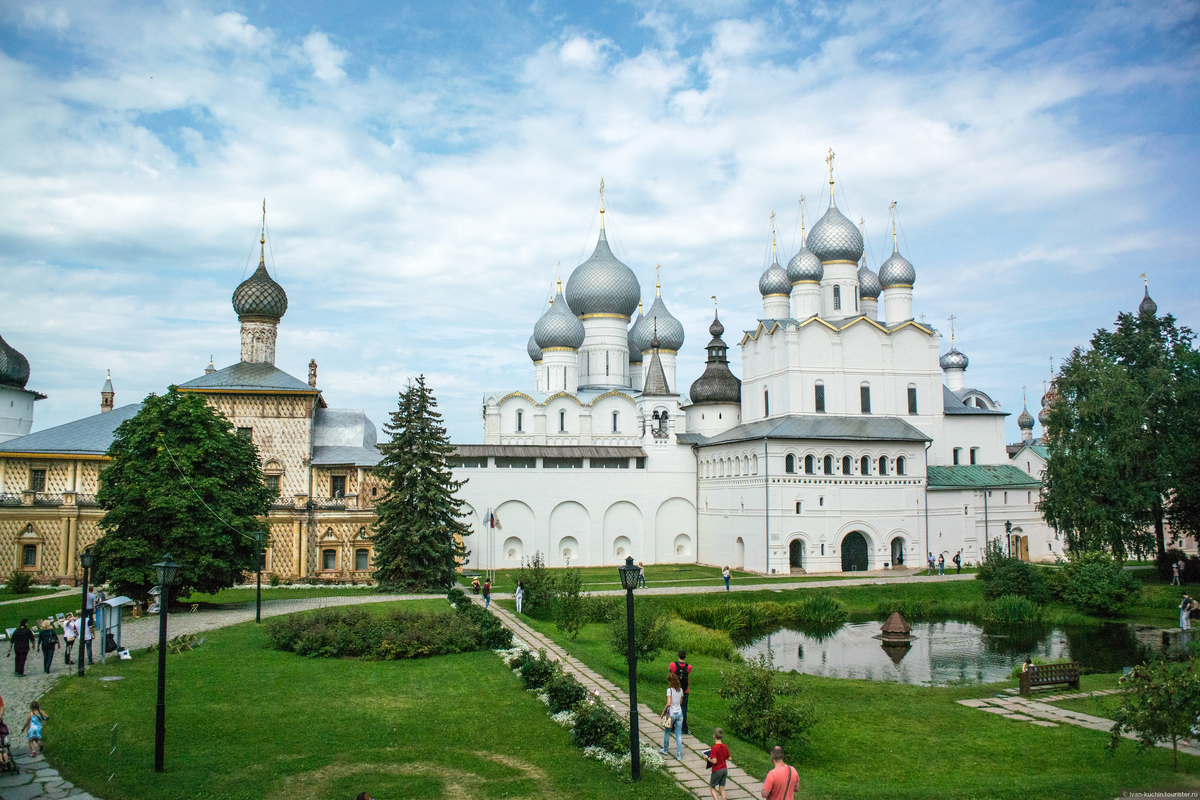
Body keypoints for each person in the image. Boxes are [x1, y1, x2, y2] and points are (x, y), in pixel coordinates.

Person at [660, 672, 684, 759]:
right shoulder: (680, 690)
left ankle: (665, 750)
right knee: (678, 734)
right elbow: (680, 702)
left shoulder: (669, 690)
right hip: (679, 713)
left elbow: (668, 703)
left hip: (672, 714)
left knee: (667, 731)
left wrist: (663, 712)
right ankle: (678, 754)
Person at [669, 650, 693, 735]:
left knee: (673, 707)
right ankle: (683, 728)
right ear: (685, 656)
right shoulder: (689, 667)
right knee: (683, 709)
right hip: (685, 690)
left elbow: (671, 673)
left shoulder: (673, 665)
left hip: (675, 690)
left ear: (678, 655)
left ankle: (672, 726)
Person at [705, 727, 731, 800]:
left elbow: (714, 761)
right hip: (724, 769)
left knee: (712, 787)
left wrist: (707, 758)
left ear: (714, 736)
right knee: (722, 787)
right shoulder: (725, 746)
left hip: (717, 770)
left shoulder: (714, 748)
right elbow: (729, 758)